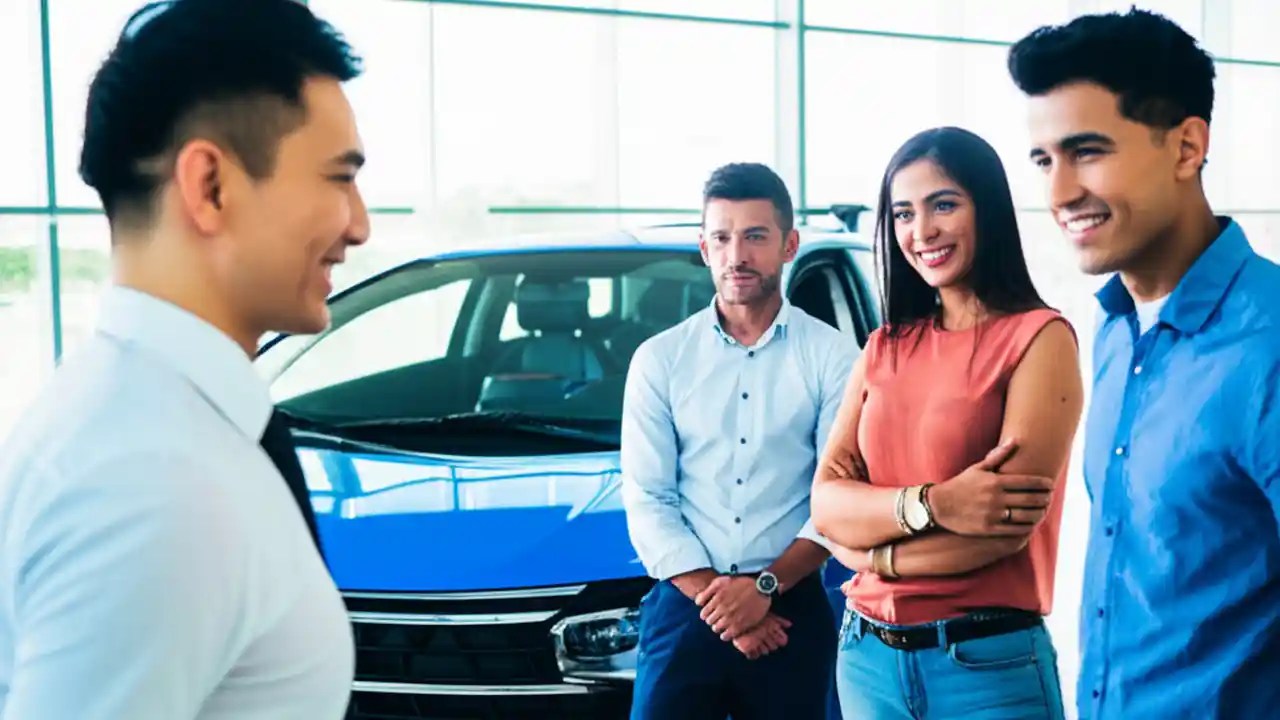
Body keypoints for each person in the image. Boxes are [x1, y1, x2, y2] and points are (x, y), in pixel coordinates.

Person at [0, 1, 369, 717]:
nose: (359, 223)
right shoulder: (154, 485)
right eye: (338, 177)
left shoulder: (128, 417)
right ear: (211, 186)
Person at [1008, 9, 1280, 718]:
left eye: (1088, 151)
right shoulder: (1115, 329)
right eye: (1044, 160)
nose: (1060, 193)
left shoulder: (1268, 346)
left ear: (1188, 146)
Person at [810, 126, 1084, 720]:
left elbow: (998, 531)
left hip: (984, 666)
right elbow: (827, 505)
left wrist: (870, 555)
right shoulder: (884, 345)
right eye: (903, 213)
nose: (922, 231)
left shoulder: (1039, 339)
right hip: (866, 659)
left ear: (986, 208)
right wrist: (934, 504)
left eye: (943, 204)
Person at [621, 162, 857, 720]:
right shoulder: (660, 360)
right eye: (722, 238)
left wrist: (765, 589)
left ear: (788, 244)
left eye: (755, 236)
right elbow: (649, 498)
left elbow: (837, 497)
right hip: (684, 607)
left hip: (794, 603)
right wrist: (727, 607)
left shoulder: (832, 358)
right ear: (704, 248)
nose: (737, 255)